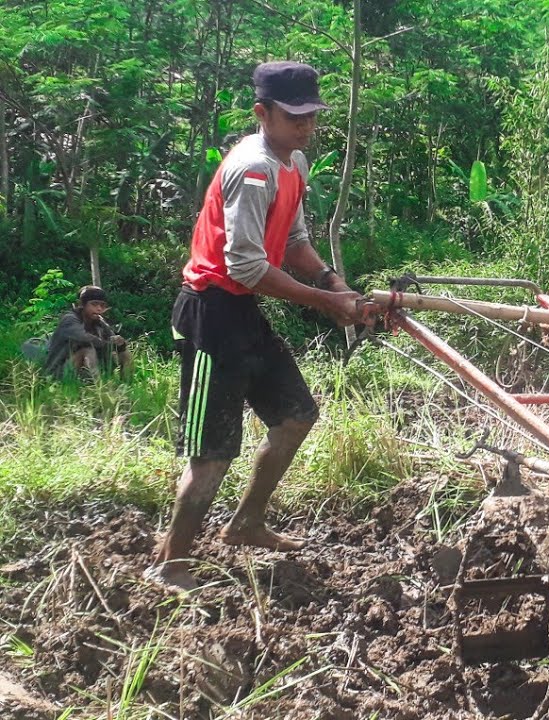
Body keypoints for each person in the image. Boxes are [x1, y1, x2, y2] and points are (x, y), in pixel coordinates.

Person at [147, 61, 362, 592]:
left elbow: (292, 242)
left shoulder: (294, 164)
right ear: (262, 113)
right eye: (294, 117)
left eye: (312, 116)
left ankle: (246, 523)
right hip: (210, 313)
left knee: (296, 416)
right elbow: (244, 266)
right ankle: (172, 563)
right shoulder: (253, 170)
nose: (306, 127)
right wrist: (324, 303)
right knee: (213, 453)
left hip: (241, 310)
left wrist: (333, 282)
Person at [42, 285, 133, 381]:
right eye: (94, 304)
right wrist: (110, 344)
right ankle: (99, 389)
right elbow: (86, 339)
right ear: (81, 304)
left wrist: (120, 343)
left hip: (86, 368)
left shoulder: (99, 321)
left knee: (124, 352)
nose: (99, 309)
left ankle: (126, 385)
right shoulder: (70, 319)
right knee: (87, 350)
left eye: (102, 305)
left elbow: (111, 340)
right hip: (59, 373)